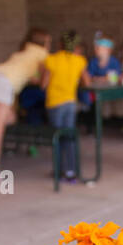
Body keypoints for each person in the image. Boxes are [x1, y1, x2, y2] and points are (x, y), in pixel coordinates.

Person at [0, 28, 51, 186]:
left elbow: (28, 76)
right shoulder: (43, 55)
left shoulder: (23, 52)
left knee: (11, 118)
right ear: (45, 43)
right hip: (5, 82)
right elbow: (43, 83)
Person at [42, 30, 89, 183]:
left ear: (60, 44)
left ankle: (59, 170)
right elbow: (86, 82)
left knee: (57, 137)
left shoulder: (51, 59)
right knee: (69, 136)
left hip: (55, 104)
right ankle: (70, 171)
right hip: (70, 103)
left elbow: (44, 84)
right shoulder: (80, 61)